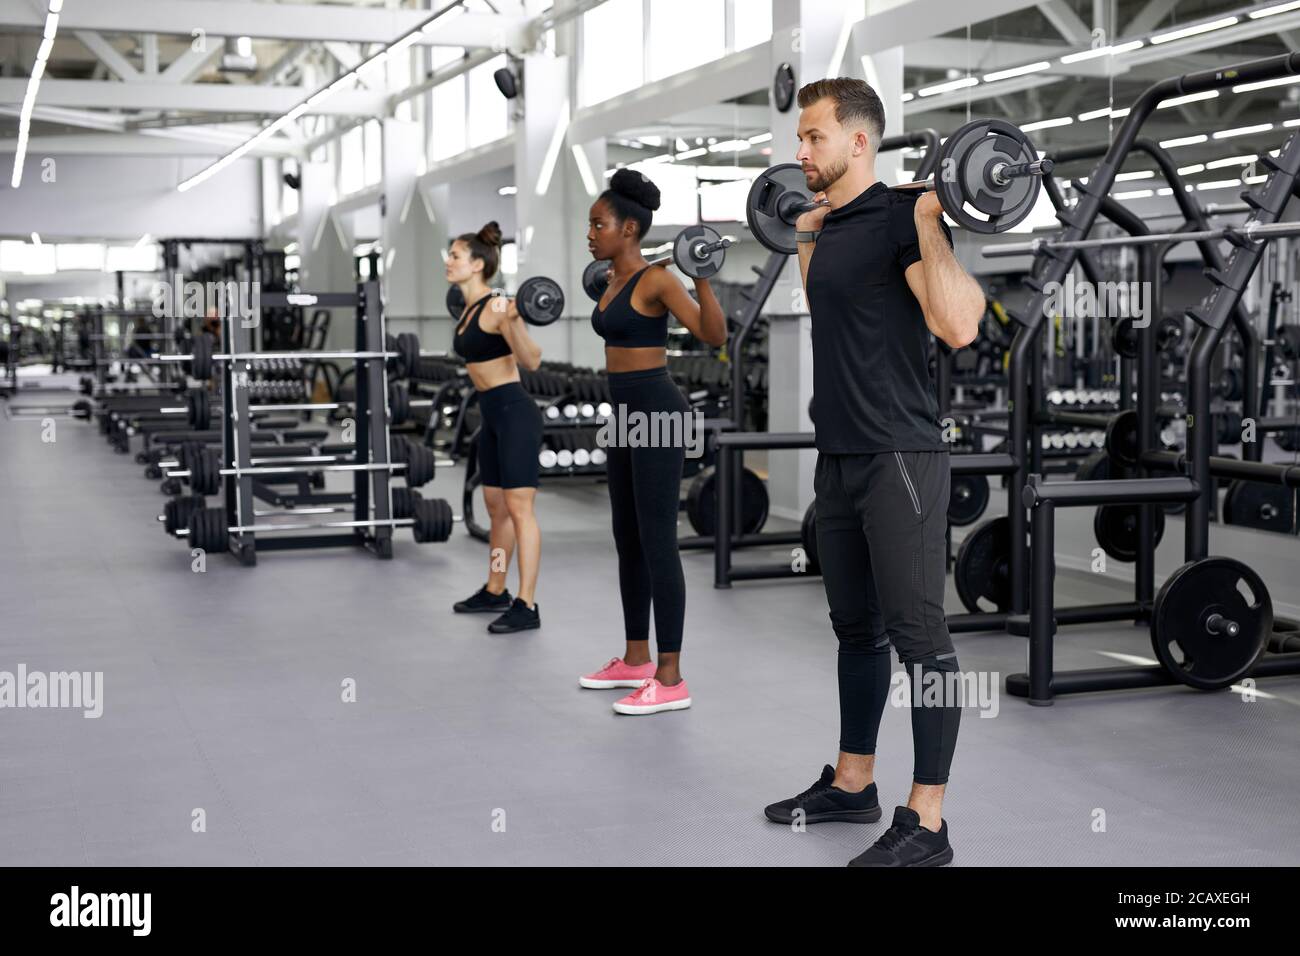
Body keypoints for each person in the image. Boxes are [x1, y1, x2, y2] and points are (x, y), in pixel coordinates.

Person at [762, 78, 984, 866]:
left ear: (859, 141)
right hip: (842, 457)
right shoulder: (825, 226)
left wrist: (928, 221)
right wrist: (804, 239)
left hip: (901, 456)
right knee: (854, 629)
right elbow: (838, 316)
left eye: (813, 136)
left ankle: (927, 822)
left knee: (920, 636)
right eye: (800, 138)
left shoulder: (901, 217)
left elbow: (958, 324)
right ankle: (853, 784)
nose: (800, 150)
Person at [578, 169, 727, 715]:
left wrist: (703, 274)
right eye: (590, 224)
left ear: (630, 228)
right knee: (627, 534)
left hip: (658, 411)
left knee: (658, 537)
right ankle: (636, 657)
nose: (590, 234)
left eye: (599, 224)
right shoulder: (610, 280)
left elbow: (715, 336)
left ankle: (670, 676)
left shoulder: (659, 279)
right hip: (621, 412)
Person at [447, 221, 546, 634]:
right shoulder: (470, 308)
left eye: (455, 256)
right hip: (490, 415)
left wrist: (513, 323)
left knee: (520, 510)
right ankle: (496, 587)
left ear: (476, 265)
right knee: (496, 509)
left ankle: (526, 603)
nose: (448, 262)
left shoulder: (498, 306)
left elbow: (533, 360)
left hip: (515, 413)